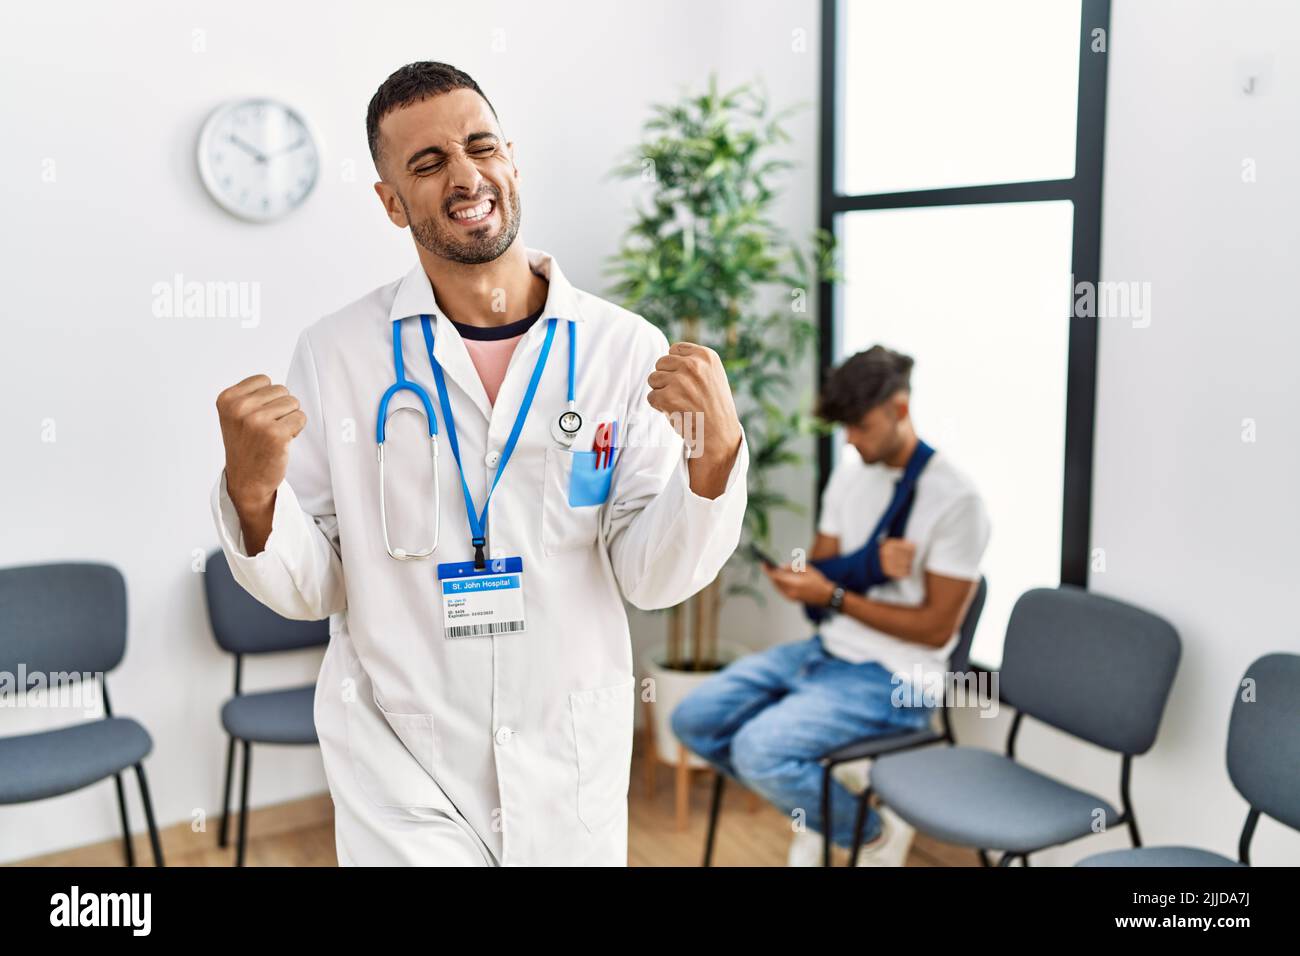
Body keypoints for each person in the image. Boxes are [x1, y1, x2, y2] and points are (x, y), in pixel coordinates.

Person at [210, 62, 748, 866]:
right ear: (392, 202)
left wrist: (716, 456)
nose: (465, 176)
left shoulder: (620, 349)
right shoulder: (337, 354)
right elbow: (318, 580)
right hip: (401, 757)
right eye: (427, 164)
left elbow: (648, 574)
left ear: (511, 162)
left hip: (563, 752)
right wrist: (253, 493)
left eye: (480, 145)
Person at [672, 345, 989, 866]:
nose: (851, 440)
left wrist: (835, 593)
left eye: (860, 426)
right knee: (693, 719)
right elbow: (821, 587)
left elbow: (934, 631)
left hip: (898, 678)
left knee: (759, 751)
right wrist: (848, 575)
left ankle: (869, 833)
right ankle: (822, 807)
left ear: (900, 410)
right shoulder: (850, 475)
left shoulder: (956, 501)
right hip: (826, 652)